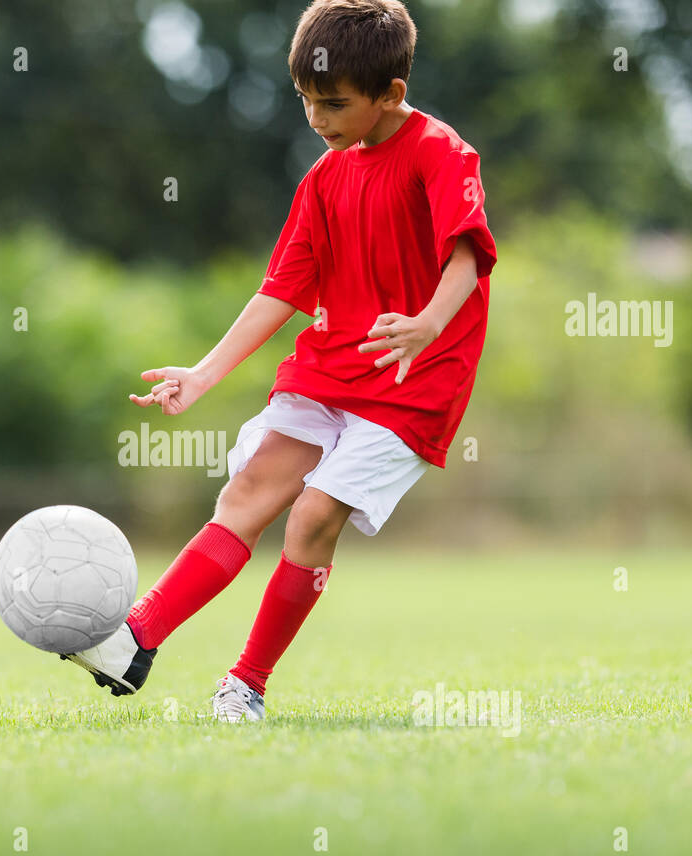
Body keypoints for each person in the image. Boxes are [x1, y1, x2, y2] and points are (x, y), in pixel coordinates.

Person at [64, 0, 497, 722]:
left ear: (391, 94)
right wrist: (203, 374)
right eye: (305, 101)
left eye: (334, 103)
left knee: (312, 516)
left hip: (413, 381)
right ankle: (134, 640)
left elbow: (467, 258)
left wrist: (425, 325)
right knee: (250, 494)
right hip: (331, 369)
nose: (317, 119)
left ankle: (247, 684)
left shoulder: (439, 151)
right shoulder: (324, 180)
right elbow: (281, 291)